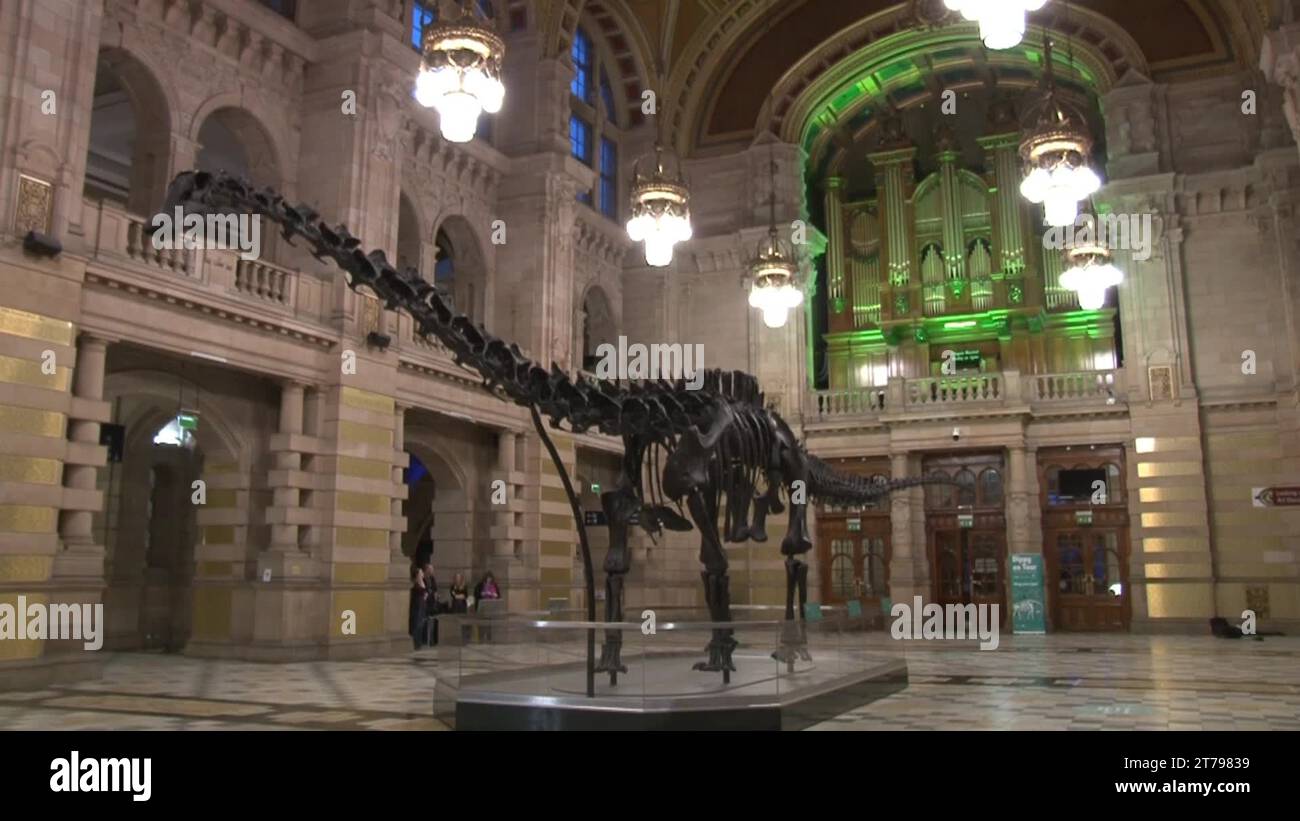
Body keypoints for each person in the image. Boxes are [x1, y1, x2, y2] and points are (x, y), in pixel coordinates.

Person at [408, 564, 428, 650]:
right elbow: (418, 594)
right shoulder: (415, 584)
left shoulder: (423, 582)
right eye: (421, 572)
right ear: (417, 575)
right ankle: (415, 643)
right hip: (417, 606)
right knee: (416, 624)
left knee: (421, 624)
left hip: (422, 605)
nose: (422, 573)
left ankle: (419, 643)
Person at [422, 562, 439, 646]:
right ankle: (425, 640)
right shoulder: (423, 579)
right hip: (425, 603)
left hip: (432, 603)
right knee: (424, 622)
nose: (432, 571)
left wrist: (435, 595)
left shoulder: (432, 579)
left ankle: (432, 640)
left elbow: (435, 589)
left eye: (432, 570)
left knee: (433, 622)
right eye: (430, 569)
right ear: (427, 570)